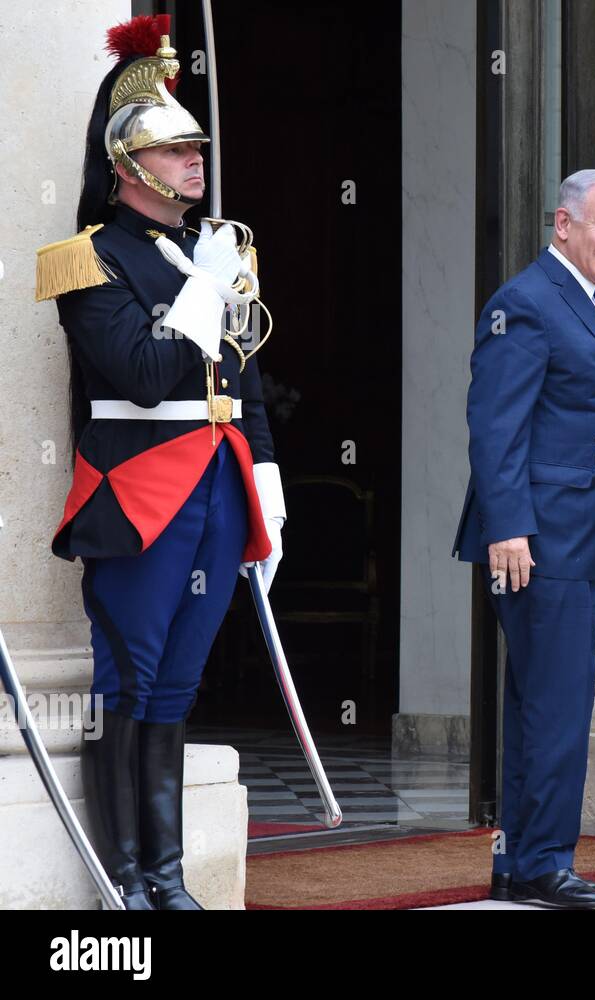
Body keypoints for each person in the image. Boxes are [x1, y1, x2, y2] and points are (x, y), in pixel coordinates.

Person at [35, 14, 286, 909]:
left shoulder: (213, 249)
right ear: (129, 168)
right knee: (130, 679)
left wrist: (266, 478)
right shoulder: (85, 261)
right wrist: (203, 288)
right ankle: (125, 877)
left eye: (196, 148)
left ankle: (169, 875)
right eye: (178, 150)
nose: (196, 161)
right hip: (138, 489)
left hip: (217, 485)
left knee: (179, 682)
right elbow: (141, 377)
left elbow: (242, 379)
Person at [452, 168, 595, 908]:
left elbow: (582, 425)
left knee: (542, 701)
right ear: (563, 224)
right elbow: (496, 425)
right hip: (539, 541)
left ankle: (517, 863)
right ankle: (543, 862)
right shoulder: (527, 302)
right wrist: (507, 525)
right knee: (557, 705)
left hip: (578, 532)